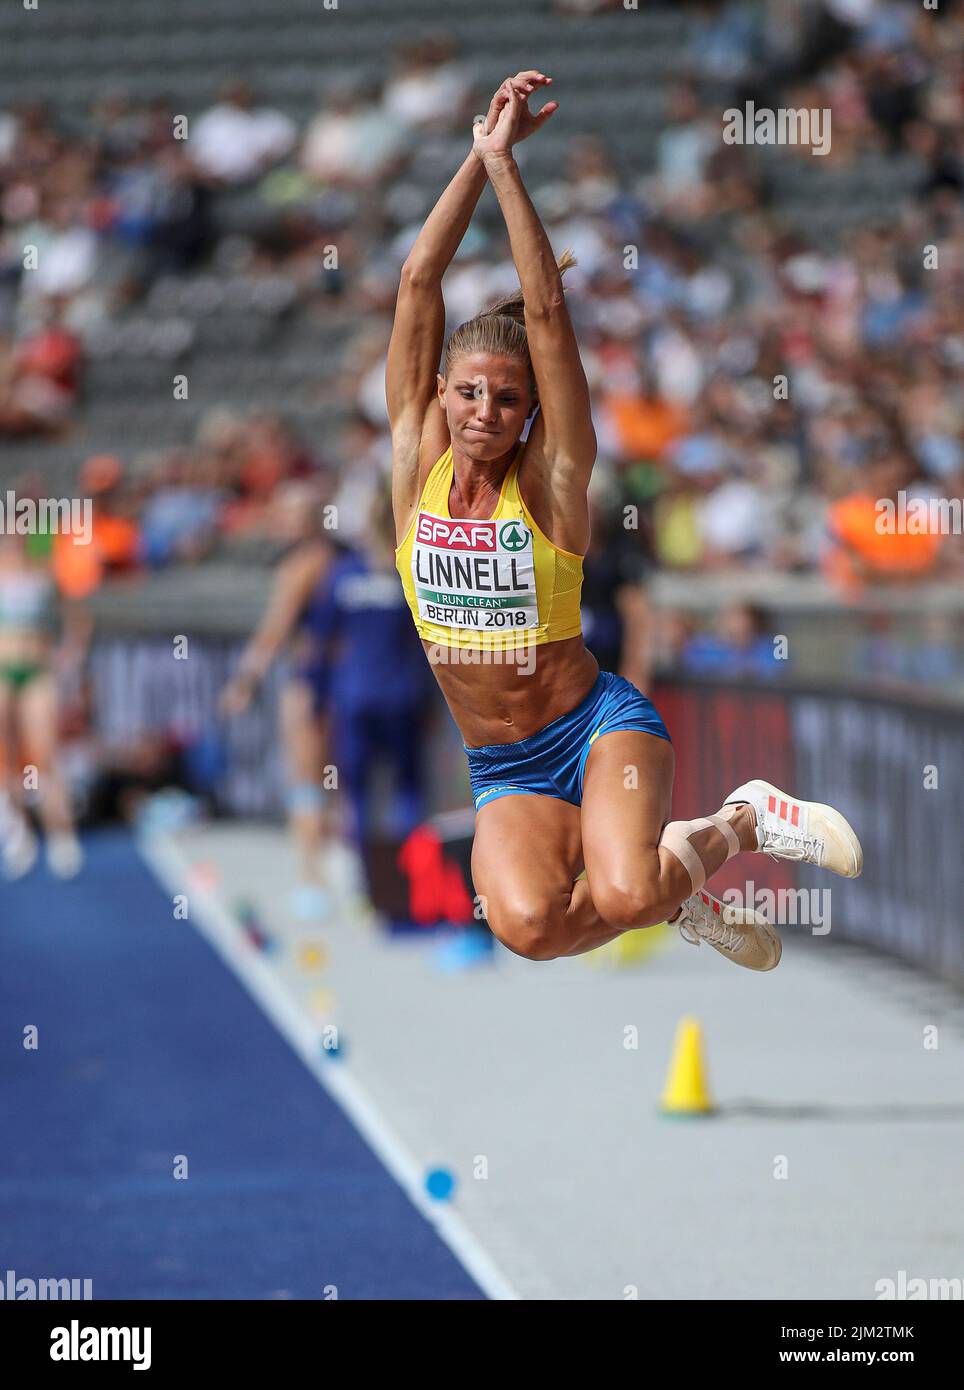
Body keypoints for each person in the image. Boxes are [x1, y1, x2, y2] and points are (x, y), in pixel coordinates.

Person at [387, 71, 863, 972]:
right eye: (468, 393)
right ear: (438, 395)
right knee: (528, 930)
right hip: (504, 766)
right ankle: (682, 883)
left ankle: (744, 820)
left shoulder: (553, 480)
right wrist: (475, 159)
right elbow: (418, 282)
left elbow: (547, 312)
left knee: (627, 894)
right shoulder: (416, 463)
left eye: (508, 398)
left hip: (596, 726)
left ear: (531, 412)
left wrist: (510, 174)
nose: (484, 410)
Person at [220, 483, 338, 918]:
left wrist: (245, 679)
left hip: (310, 682)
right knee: (331, 778)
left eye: (287, 515)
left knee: (306, 778)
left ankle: (312, 878)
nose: (278, 523)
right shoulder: (340, 558)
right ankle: (334, 867)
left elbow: (276, 628)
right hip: (339, 678)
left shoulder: (303, 564)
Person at [0, 533, 86, 878]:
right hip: (4, 671)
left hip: (35, 671)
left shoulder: (43, 572)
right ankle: (20, 830)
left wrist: (70, 653)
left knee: (45, 754)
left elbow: (76, 614)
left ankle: (60, 832)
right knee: (7, 755)